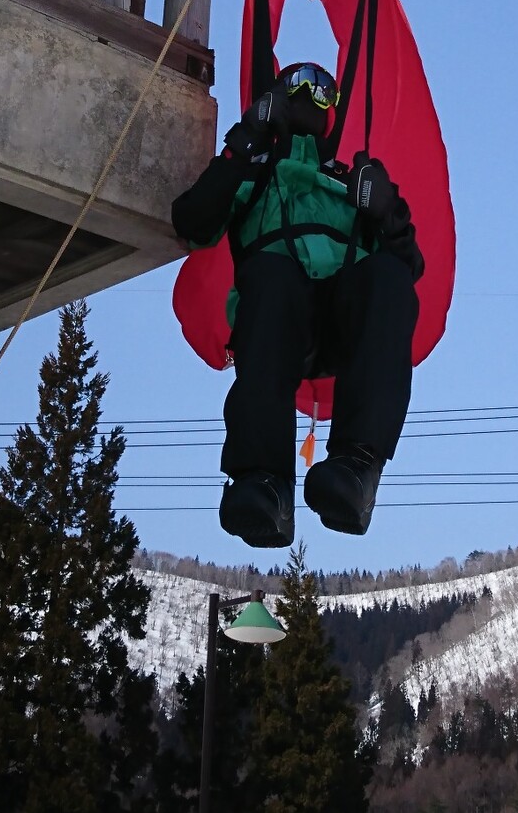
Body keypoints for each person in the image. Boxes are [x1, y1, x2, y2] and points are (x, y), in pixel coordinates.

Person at [171, 62, 424, 547]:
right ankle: (264, 482)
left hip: (339, 322)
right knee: (270, 273)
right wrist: (245, 142)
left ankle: (356, 467)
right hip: (277, 319)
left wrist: (389, 215)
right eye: (298, 84)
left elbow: (405, 277)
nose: (312, 93)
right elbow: (193, 219)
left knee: (387, 278)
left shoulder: (348, 185)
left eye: (324, 88)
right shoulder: (257, 177)